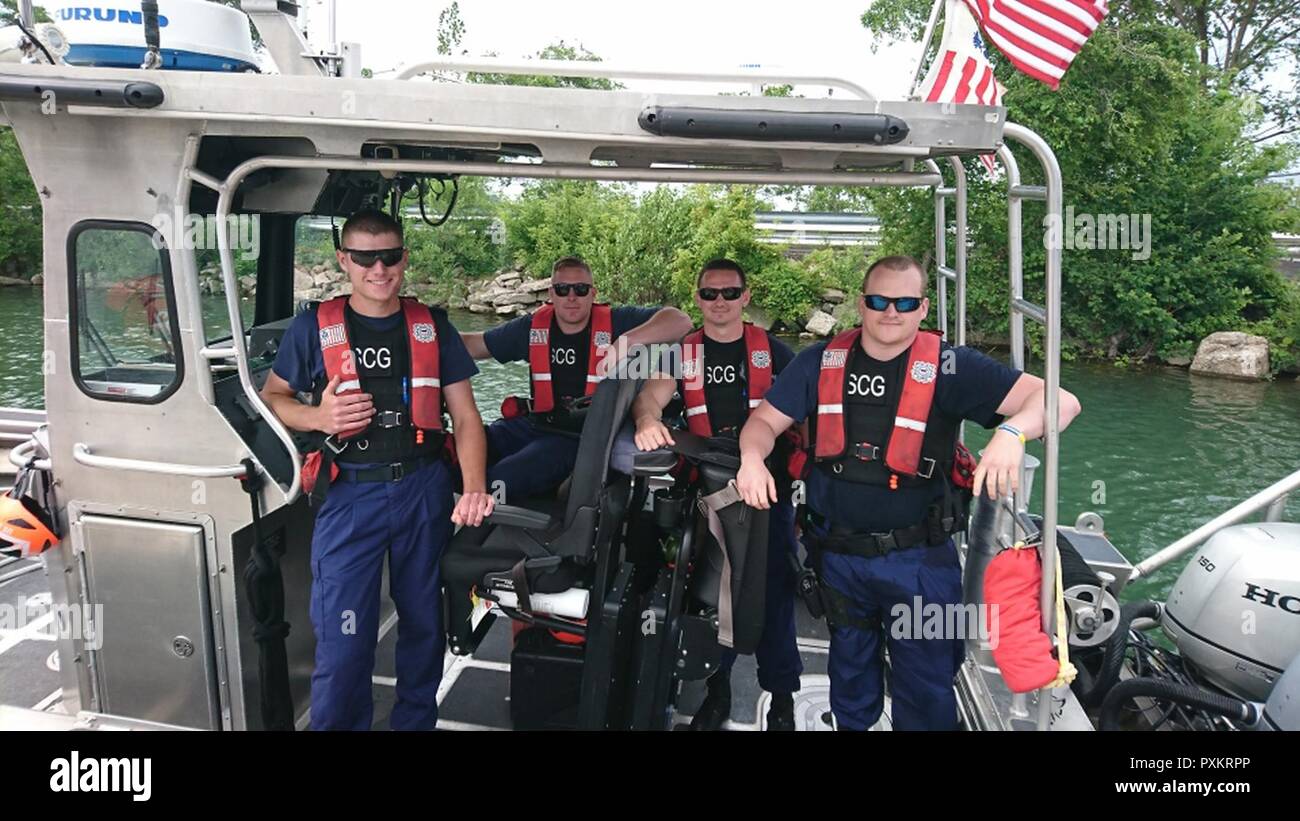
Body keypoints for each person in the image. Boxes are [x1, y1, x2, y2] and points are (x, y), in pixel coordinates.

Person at [735, 254, 1082, 730]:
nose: (890, 312)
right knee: (849, 677)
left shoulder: (953, 367)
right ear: (861, 304)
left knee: (925, 687)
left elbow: (1062, 402)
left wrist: (1012, 434)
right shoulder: (819, 362)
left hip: (918, 563)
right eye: (878, 300)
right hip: (837, 557)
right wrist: (752, 459)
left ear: (922, 308)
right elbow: (762, 424)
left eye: (904, 302)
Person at [260, 208, 494, 730]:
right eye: (365, 257)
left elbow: (467, 417)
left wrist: (474, 489)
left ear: (404, 258)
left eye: (389, 255)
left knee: (423, 628)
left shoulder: (433, 327)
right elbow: (272, 397)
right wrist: (317, 415)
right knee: (344, 643)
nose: (378, 268)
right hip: (349, 497)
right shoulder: (311, 328)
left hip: (424, 490)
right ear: (344, 260)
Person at [631, 258, 803, 731]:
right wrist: (647, 419)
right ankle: (717, 691)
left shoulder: (775, 352)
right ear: (698, 298)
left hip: (768, 495)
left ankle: (783, 697)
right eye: (710, 294)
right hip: (707, 495)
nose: (720, 302)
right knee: (709, 597)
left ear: (746, 297)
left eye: (730, 293)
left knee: (774, 595)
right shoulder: (681, 353)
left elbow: (810, 406)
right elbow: (651, 397)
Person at [460, 256, 691, 502]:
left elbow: (680, 321)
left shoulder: (617, 322)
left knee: (500, 481)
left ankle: (488, 522)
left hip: (578, 438)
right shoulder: (531, 327)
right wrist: (431, 337)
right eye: (563, 289)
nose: (572, 297)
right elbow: (476, 345)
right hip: (535, 424)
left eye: (580, 290)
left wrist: (627, 341)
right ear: (551, 293)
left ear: (593, 293)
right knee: (463, 451)